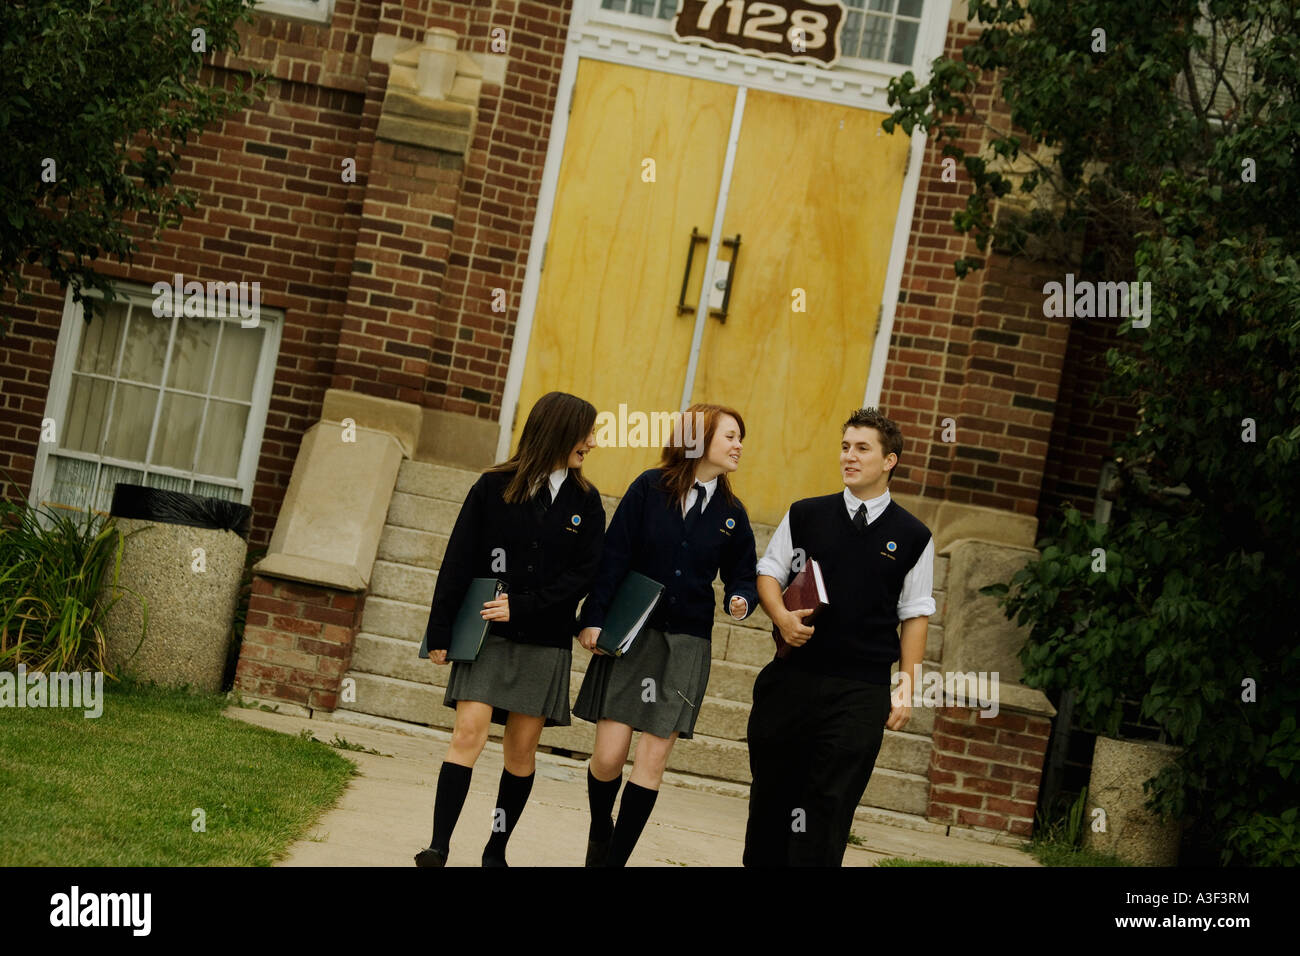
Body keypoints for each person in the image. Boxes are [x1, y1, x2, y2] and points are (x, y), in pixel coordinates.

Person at [414, 391, 605, 867]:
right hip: (485, 636)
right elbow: (458, 558)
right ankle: (439, 846)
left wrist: (521, 606)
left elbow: (583, 576)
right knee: (467, 734)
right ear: (559, 431)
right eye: (586, 433)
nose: (593, 443)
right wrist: (439, 632)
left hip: (544, 640)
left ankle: (495, 850)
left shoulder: (587, 501)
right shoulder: (492, 486)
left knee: (520, 753)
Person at [743, 407, 935, 866]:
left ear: (889, 461)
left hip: (860, 690)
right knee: (772, 797)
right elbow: (768, 572)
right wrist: (781, 617)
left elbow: (915, 614)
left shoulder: (913, 536)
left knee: (829, 804)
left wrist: (905, 686)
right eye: (846, 447)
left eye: (862, 449)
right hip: (792, 680)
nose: (849, 456)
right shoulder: (805, 515)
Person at [573, 403, 759, 867]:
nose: (738, 446)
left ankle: (612, 861)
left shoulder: (732, 513)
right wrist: (593, 617)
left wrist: (740, 598)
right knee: (609, 758)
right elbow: (613, 555)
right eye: (730, 436)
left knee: (652, 761)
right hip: (632, 635)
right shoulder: (647, 489)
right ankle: (600, 826)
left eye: (741, 438)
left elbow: (743, 573)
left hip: (687, 644)